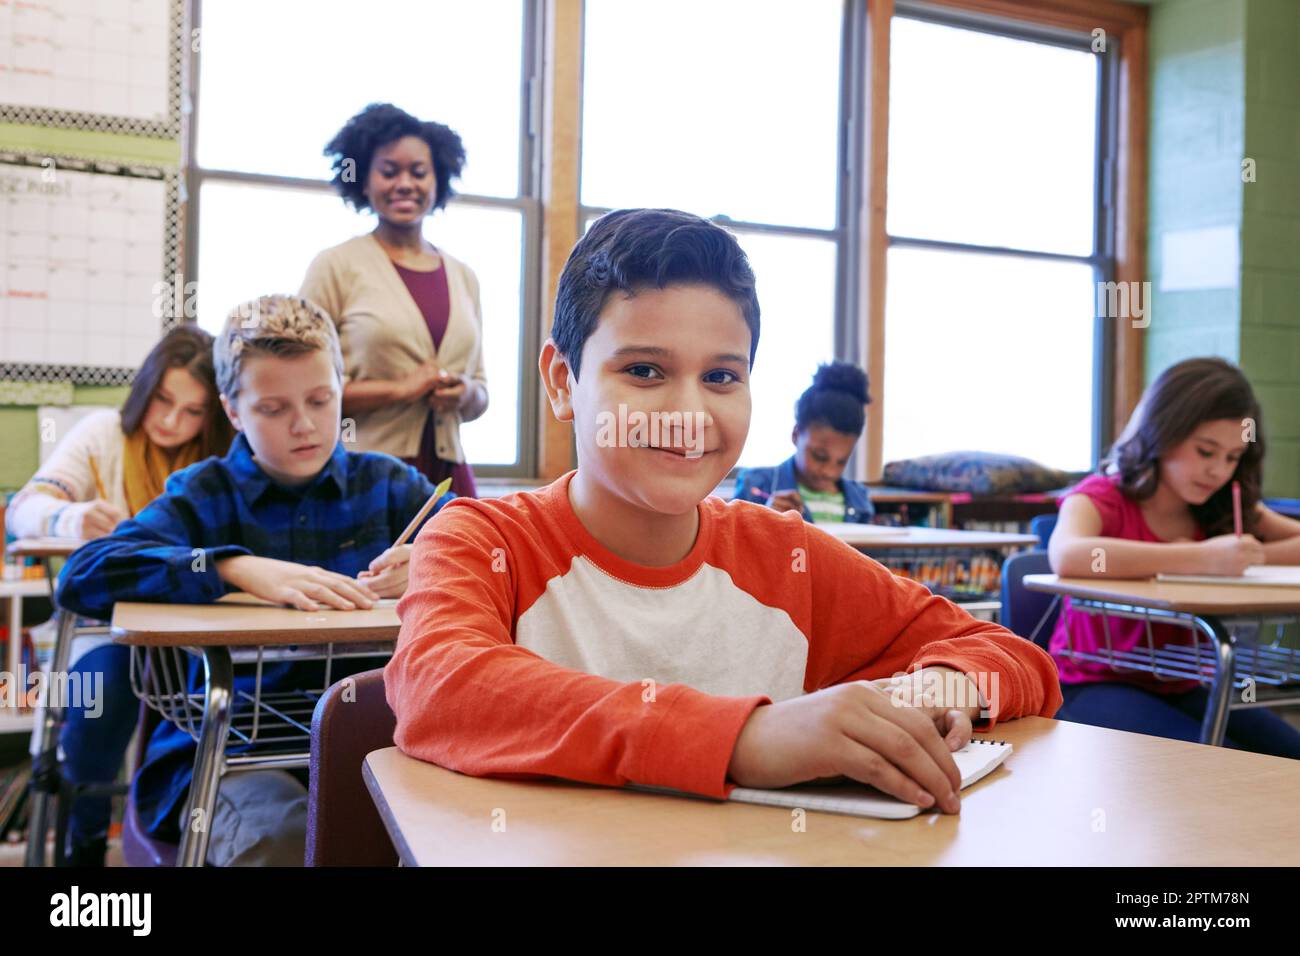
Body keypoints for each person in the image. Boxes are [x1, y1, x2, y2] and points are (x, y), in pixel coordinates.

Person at [386, 209, 1061, 815]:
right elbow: (439, 686)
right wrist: (746, 737)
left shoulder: (788, 560)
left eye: (721, 377)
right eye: (645, 371)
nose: (689, 414)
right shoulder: (483, 538)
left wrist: (931, 693)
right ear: (564, 381)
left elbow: (1012, 655)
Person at [57, 295, 454, 864]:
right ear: (234, 411)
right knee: (284, 842)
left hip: (377, 742)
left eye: (321, 399)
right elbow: (83, 574)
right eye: (272, 408)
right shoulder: (203, 494)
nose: (305, 425)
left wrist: (436, 559)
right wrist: (230, 567)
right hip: (231, 753)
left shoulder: (391, 486)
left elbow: (498, 553)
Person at [9, 324, 233, 865]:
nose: (172, 422)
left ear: (216, 414)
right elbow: (23, 510)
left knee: (223, 714)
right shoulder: (102, 434)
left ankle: (190, 837)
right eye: (163, 400)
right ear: (145, 387)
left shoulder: (222, 459)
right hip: (108, 628)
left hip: (202, 633)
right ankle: (83, 843)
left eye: (194, 411)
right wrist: (73, 515)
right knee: (97, 696)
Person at [1048, 356, 1300, 757]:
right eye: (1206, 451)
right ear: (1163, 433)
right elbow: (1069, 555)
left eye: (1233, 457)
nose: (1218, 471)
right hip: (1090, 683)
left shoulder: (1220, 505)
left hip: (1184, 683)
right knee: (1211, 766)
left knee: (1286, 756)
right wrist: (1200, 558)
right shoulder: (1102, 496)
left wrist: (1249, 557)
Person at [301, 102, 487, 497]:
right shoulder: (335, 266)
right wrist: (401, 389)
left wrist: (465, 393)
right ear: (364, 181)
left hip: (449, 477)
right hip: (363, 479)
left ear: (438, 180)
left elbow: (481, 392)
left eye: (419, 172)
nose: (405, 183)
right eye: (389, 171)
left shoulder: (464, 276)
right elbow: (303, 388)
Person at [733, 361, 875, 523]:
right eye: (819, 456)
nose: (829, 472)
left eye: (841, 462)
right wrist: (765, 522)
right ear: (796, 434)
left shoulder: (859, 498)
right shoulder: (757, 485)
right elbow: (730, 542)